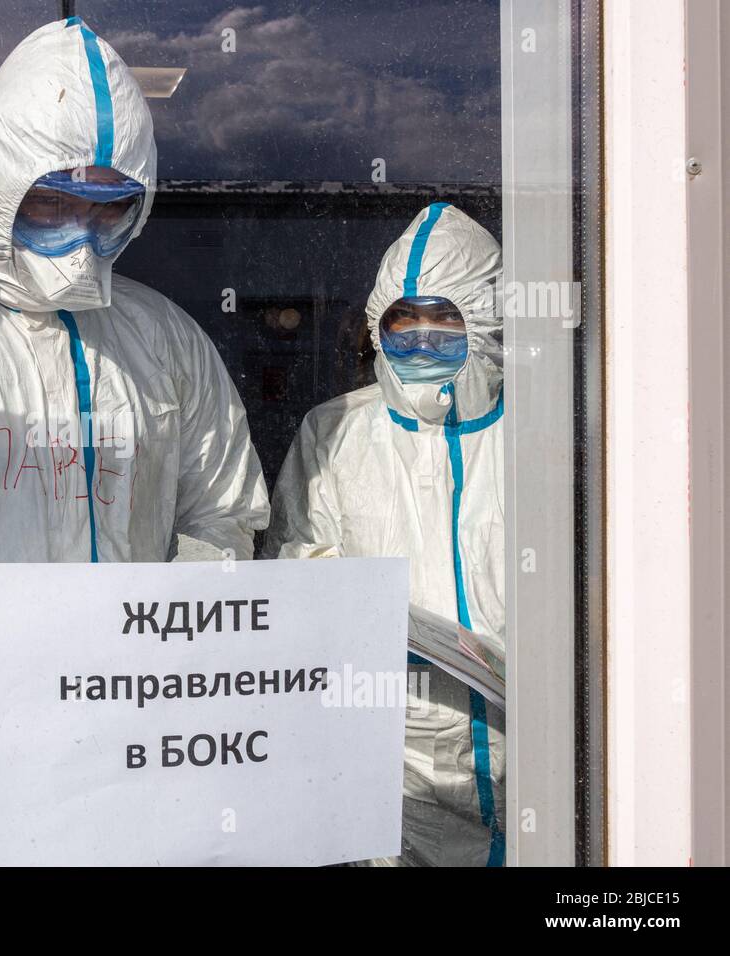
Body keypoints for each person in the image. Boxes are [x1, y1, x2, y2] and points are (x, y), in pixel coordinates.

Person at [0, 18, 270, 866]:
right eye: (51, 199)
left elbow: (223, 522)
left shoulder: (163, 340)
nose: (80, 229)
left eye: (109, 204)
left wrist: (178, 688)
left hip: (131, 787)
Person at [264, 202, 506, 866]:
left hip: (536, 759)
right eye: (404, 320)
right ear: (376, 324)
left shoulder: (544, 429)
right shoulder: (336, 432)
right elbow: (293, 570)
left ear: (487, 319)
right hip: (399, 773)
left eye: (444, 319)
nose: (421, 340)